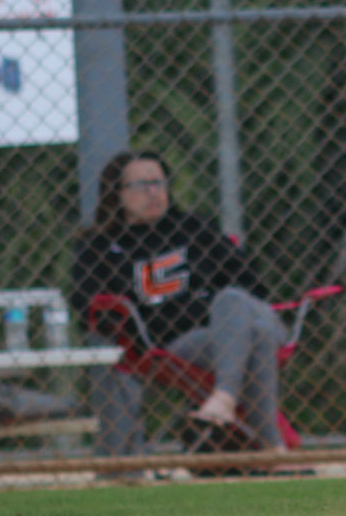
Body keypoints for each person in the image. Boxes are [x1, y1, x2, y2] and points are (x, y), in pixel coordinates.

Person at [71, 151, 285, 454]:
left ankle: (224, 399)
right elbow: (88, 303)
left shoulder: (193, 228)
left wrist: (226, 310)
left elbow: (251, 281)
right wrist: (131, 330)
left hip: (235, 320)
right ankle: (273, 449)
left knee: (232, 300)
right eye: (141, 185)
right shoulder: (101, 246)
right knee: (259, 334)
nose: (153, 192)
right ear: (116, 194)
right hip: (178, 342)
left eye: (159, 183)